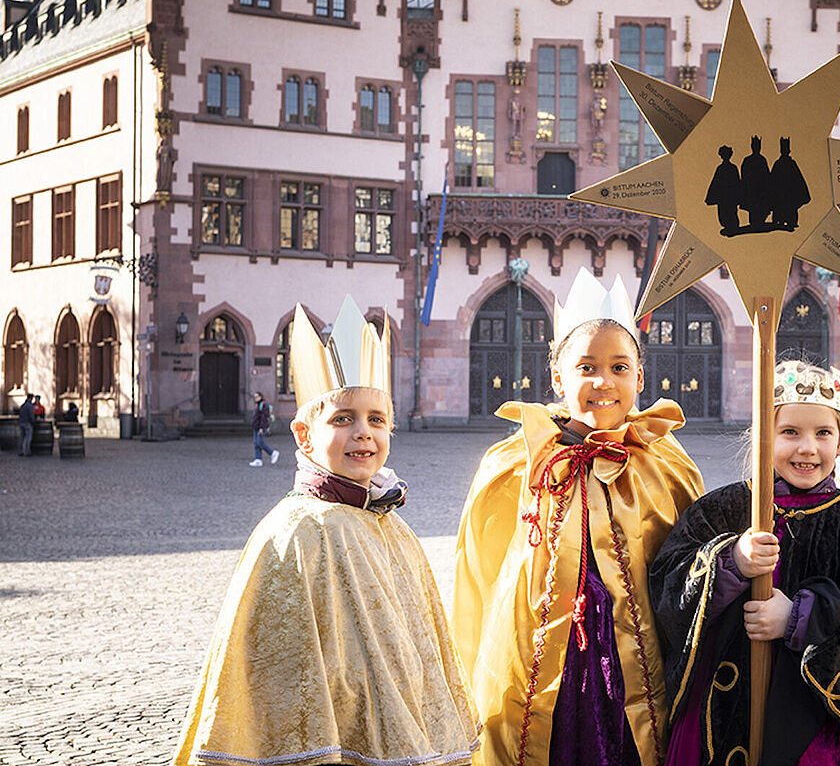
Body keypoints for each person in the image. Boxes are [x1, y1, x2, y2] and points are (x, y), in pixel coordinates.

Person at [175, 297, 478, 766]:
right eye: (342, 419)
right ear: (303, 434)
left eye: (377, 420)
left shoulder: (393, 526)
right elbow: (275, 668)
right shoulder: (294, 533)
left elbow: (426, 644)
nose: (363, 433)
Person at [453, 269, 705, 766]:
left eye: (618, 367)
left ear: (640, 376)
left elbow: (691, 571)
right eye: (586, 366)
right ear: (557, 376)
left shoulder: (667, 463)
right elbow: (477, 577)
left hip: (635, 664)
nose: (602, 382)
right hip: (538, 664)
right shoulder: (513, 463)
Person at [651, 359, 840, 766]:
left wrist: (797, 618)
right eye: (790, 432)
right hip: (728, 710)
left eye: (823, 433)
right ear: (763, 437)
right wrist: (731, 561)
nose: (807, 447)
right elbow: (669, 584)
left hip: (820, 723)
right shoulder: (724, 509)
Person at [248, 391, 279, 466]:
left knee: (259, 442)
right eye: (254, 397)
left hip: (261, 427)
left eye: (257, 397)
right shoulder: (257, 405)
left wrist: (262, 428)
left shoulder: (264, 405)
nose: (255, 398)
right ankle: (258, 459)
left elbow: (264, 418)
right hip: (256, 426)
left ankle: (272, 453)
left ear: (261, 397)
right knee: (256, 443)